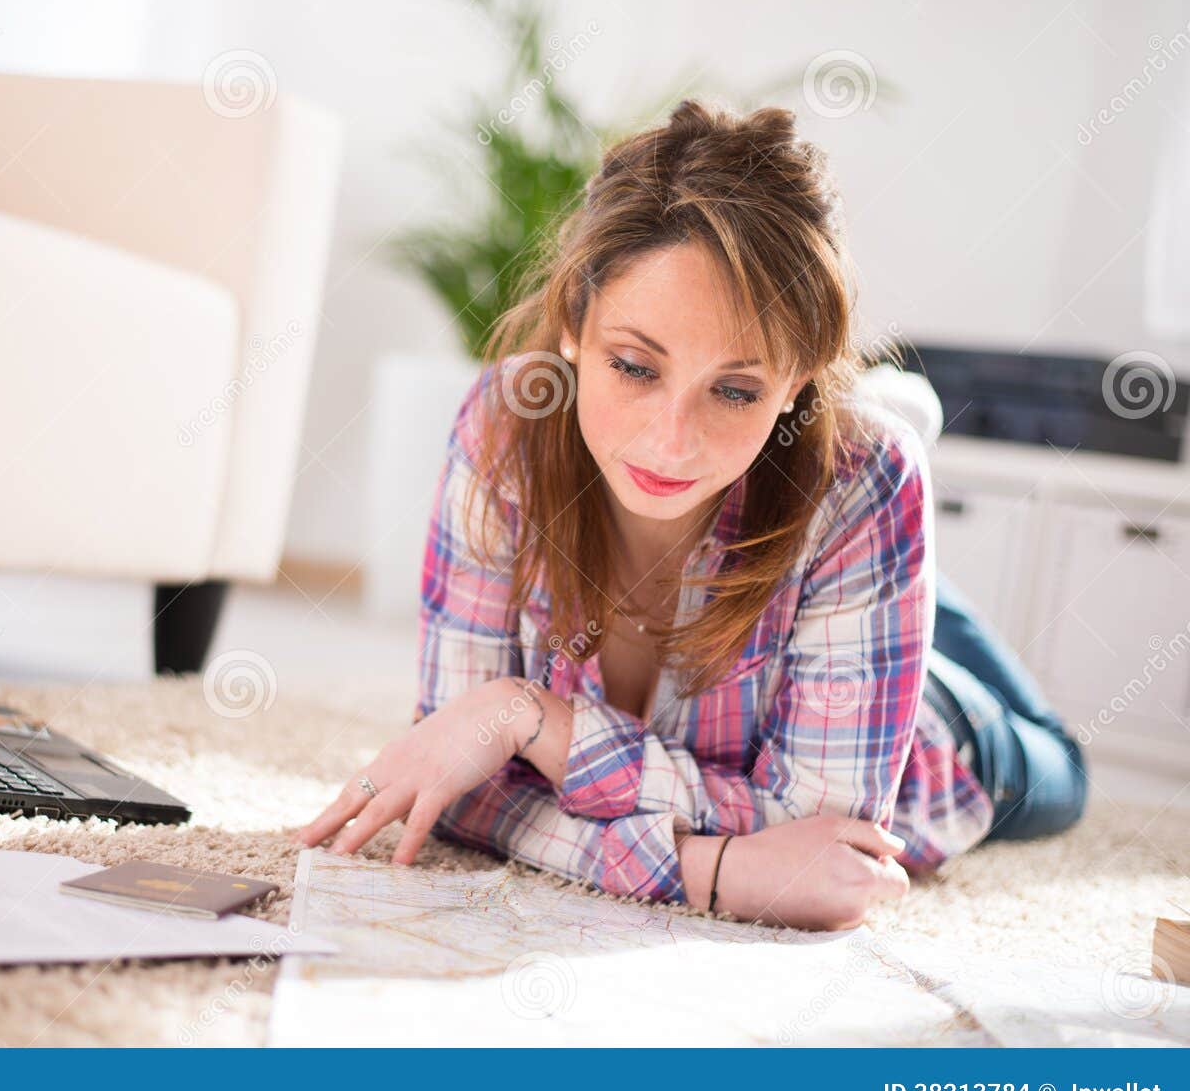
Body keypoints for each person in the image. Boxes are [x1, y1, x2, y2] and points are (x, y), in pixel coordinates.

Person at [293, 99, 1088, 931]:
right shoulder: (507, 422)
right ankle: (862, 562)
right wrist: (712, 871)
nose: (670, 443)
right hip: (805, 557)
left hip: (946, 734)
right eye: (635, 367)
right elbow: (457, 789)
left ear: (798, 382)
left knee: (1063, 772)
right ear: (573, 325)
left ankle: (876, 550)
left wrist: (532, 716)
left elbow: (820, 846)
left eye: (736, 389)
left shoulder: (866, 476)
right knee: (832, 506)